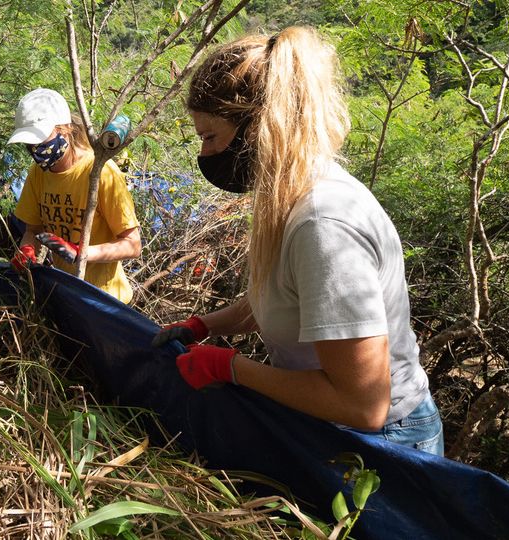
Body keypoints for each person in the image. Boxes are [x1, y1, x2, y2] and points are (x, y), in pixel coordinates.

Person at [151, 27, 443, 455]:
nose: (206, 154)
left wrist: (228, 366)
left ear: (257, 128)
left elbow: (364, 405)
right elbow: (285, 298)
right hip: (333, 429)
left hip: (384, 444)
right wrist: (206, 326)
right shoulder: (286, 197)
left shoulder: (323, 224)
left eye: (211, 136)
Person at [7, 88, 142, 304]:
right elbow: (33, 229)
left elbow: (132, 245)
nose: (35, 148)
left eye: (41, 139)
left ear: (65, 129)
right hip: (67, 295)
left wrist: (81, 252)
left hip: (106, 301)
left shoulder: (100, 172)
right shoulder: (37, 173)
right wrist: (27, 248)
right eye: (30, 143)